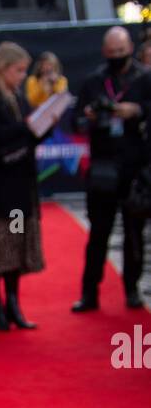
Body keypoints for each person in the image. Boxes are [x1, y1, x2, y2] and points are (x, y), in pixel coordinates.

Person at [0, 41, 49, 331]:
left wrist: (45, 123)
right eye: (18, 70)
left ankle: (13, 304)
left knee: (15, 247)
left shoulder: (17, 96)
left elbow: (27, 135)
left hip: (20, 187)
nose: (22, 76)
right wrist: (28, 126)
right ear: (3, 69)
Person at [73, 27, 151, 311]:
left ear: (130, 48)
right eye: (112, 52)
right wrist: (89, 116)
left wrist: (137, 111)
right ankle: (89, 292)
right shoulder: (95, 80)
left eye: (121, 51)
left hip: (134, 167)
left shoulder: (144, 78)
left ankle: (132, 288)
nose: (117, 56)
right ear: (104, 52)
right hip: (102, 166)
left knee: (134, 233)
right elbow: (76, 120)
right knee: (98, 233)